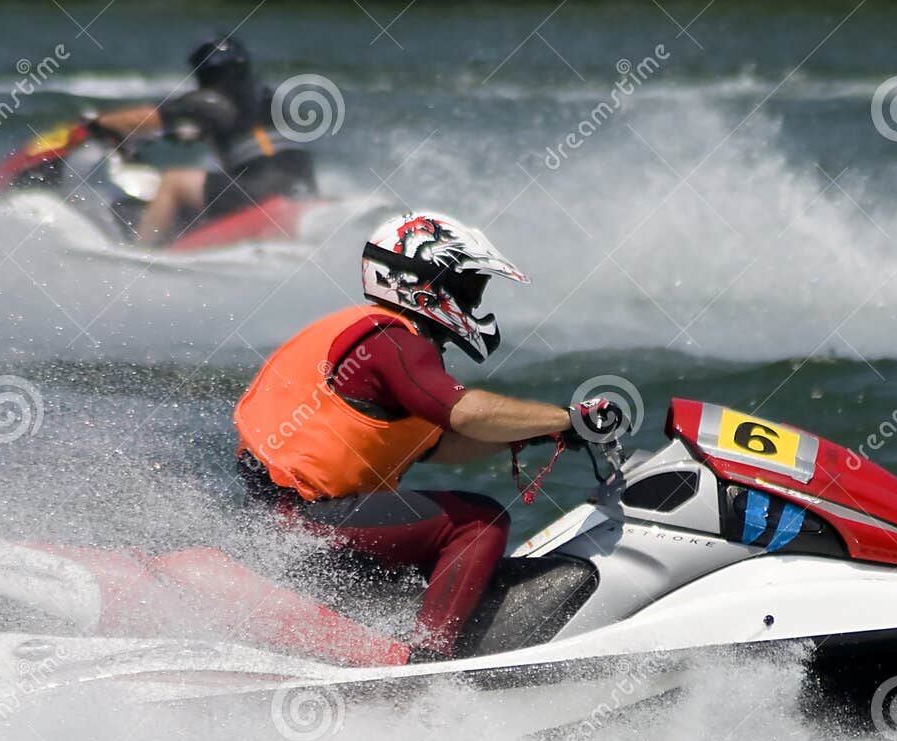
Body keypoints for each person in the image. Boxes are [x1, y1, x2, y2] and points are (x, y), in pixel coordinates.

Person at [233, 210, 626, 662]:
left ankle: (403, 639)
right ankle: (427, 661)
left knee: (448, 541)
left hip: (281, 520)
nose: (472, 301)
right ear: (420, 281)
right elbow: (464, 413)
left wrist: (539, 435)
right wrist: (567, 417)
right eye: (466, 287)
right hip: (307, 521)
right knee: (479, 523)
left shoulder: (370, 336)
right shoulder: (393, 342)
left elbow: (443, 447)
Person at [85, 33, 316, 246]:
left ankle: (140, 253)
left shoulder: (210, 100)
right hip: (299, 189)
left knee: (173, 182)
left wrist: (94, 124)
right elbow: (244, 131)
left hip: (259, 193)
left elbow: (141, 119)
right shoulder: (270, 96)